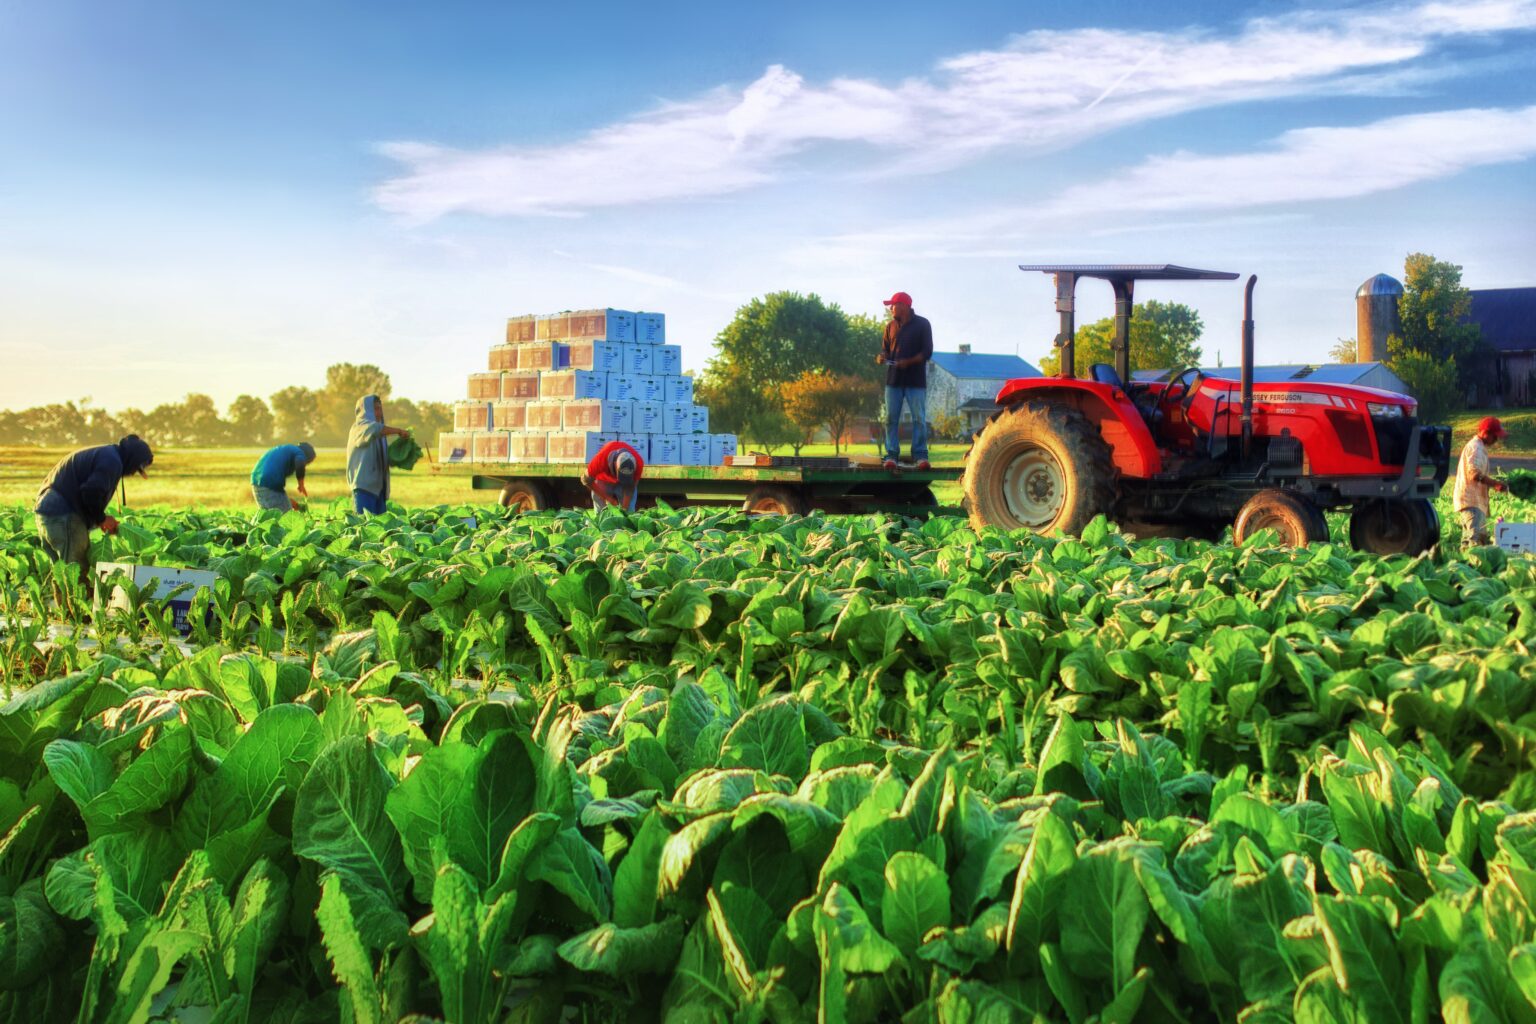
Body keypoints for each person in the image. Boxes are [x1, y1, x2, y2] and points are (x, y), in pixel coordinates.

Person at [34, 435, 154, 578]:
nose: (133, 473)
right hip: (63, 514)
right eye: (136, 468)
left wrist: (98, 521)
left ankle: (63, 594)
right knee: (76, 572)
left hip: (47, 512)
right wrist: (101, 519)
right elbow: (91, 492)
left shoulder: (107, 454)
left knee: (62, 575)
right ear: (132, 459)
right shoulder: (112, 461)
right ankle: (78, 594)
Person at [877, 290, 933, 471]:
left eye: (893, 305)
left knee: (919, 419)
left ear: (903, 306)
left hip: (915, 381)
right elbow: (885, 349)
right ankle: (891, 455)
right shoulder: (890, 327)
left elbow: (927, 352)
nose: (890, 309)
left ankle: (920, 456)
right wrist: (882, 357)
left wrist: (908, 362)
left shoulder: (923, 324)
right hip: (893, 381)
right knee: (890, 419)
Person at [346, 395, 411, 515]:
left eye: (380, 409)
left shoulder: (380, 435)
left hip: (379, 489)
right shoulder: (359, 428)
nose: (380, 413)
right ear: (366, 411)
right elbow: (375, 429)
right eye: (375, 409)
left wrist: (401, 454)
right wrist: (399, 431)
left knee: (379, 524)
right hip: (364, 488)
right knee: (364, 523)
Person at [1454, 415, 1509, 547]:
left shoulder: (1479, 447)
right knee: (1475, 541)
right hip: (1471, 500)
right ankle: (1472, 560)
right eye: (1494, 436)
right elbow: (1474, 474)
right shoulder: (1476, 448)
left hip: (1473, 501)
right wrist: (1495, 484)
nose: (1496, 439)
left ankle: (1467, 559)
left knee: (1471, 540)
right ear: (1485, 432)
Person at [251, 442, 316, 511]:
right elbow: (300, 463)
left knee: (269, 514)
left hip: (256, 481)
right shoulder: (299, 452)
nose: (306, 464)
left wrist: (294, 505)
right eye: (308, 462)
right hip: (268, 481)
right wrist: (301, 485)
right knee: (284, 515)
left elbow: (277, 498)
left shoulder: (288, 450)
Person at [582, 440, 644, 511]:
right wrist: (606, 498)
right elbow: (585, 479)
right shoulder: (601, 458)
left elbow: (630, 488)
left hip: (627, 484)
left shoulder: (639, 463)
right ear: (615, 464)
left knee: (628, 510)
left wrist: (624, 510)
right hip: (603, 479)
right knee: (601, 511)